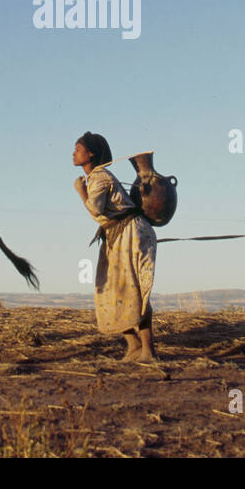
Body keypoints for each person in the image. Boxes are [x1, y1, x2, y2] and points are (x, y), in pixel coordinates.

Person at [73, 131, 157, 362]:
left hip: (131, 234)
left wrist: (81, 193)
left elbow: (96, 210)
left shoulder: (99, 178)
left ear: (91, 154)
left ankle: (148, 351)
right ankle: (133, 345)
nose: (74, 153)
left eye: (78, 149)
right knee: (112, 290)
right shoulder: (97, 177)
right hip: (118, 235)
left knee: (134, 290)